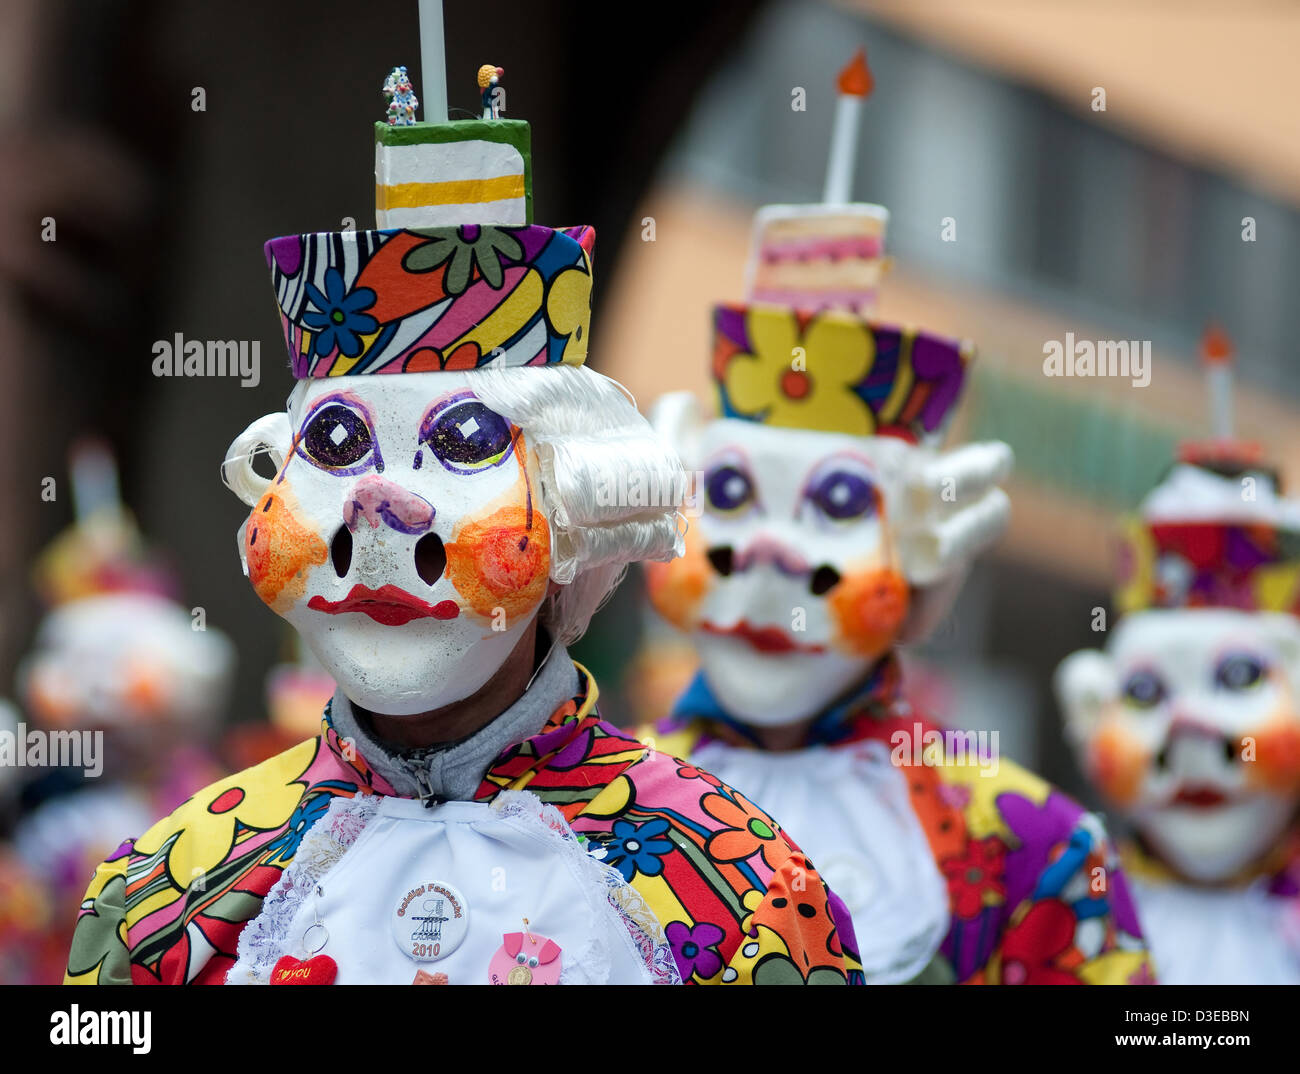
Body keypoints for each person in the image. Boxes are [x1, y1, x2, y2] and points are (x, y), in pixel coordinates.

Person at [64, 64, 859, 986]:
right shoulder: (161, 900)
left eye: (467, 444)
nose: (385, 517)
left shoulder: (746, 894)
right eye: (336, 442)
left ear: (578, 510)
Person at [641, 52, 1151, 987]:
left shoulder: (1034, 847)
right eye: (731, 497)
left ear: (925, 550)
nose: (770, 557)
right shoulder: (577, 806)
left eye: (835, 505)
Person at [1056, 344, 1300, 983]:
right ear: (1089, 714)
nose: (1190, 730)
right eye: (1145, 692)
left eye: (1241, 679)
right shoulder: (1053, 910)